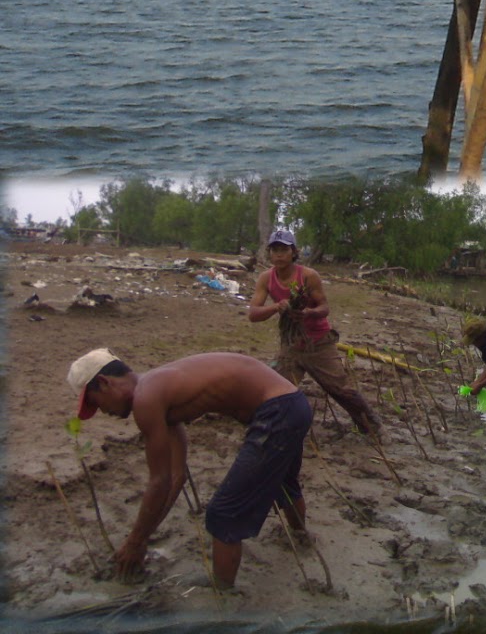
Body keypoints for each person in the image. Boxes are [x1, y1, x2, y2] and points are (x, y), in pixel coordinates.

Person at [67, 347, 312, 591]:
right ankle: (302, 539)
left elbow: (159, 481)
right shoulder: (157, 390)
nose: (103, 412)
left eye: (94, 403)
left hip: (278, 411)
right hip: (292, 405)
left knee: (223, 513)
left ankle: (222, 595)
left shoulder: (146, 398)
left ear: (104, 382)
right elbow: (176, 477)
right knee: (284, 482)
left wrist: (134, 542)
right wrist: (143, 538)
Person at [246, 227, 380, 437]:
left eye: (284, 249)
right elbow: (253, 314)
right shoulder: (266, 278)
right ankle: (269, 428)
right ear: (269, 253)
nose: (279, 254)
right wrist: (275, 307)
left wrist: (308, 313)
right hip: (291, 344)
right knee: (277, 388)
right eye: (274, 250)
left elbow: (324, 308)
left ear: (294, 252)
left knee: (340, 389)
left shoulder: (308, 276)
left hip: (318, 343)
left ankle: (371, 427)